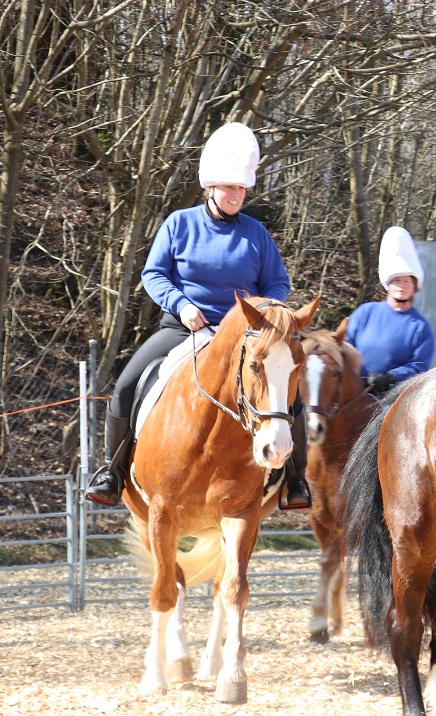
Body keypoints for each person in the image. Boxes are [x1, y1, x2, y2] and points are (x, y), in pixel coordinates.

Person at [85, 121, 312, 510]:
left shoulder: (257, 233)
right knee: (126, 386)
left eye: (241, 189)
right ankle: (112, 471)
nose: (236, 195)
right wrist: (181, 305)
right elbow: (153, 274)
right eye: (229, 187)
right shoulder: (179, 223)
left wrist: (265, 315)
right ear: (210, 187)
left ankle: (295, 479)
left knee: (290, 398)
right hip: (184, 327)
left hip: (244, 336)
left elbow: (277, 283)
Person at [344, 226, 434, 396]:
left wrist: (390, 377)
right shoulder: (365, 312)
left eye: (407, 281)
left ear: (414, 286)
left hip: (392, 396)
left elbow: (419, 365)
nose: (401, 286)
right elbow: (344, 344)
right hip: (352, 391)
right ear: (388, 284)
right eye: (397, 280)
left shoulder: (420, 326)